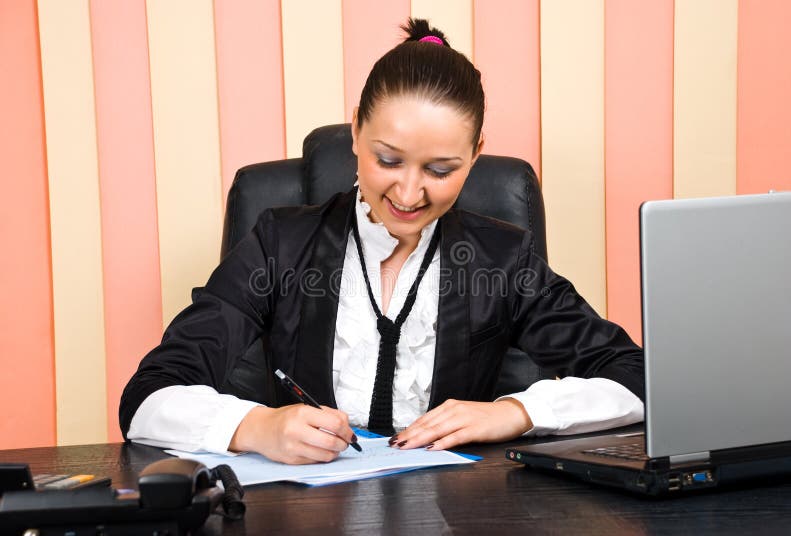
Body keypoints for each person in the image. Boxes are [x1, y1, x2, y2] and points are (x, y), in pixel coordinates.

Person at [120, 19, 643, 465]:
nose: (409, 193)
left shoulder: (503, 261)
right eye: (388, 160)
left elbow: (636, 377)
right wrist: (256, 427)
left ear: (476, 154)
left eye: (440, 170)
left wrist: (514, 412)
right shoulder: (279, 244)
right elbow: (147, 397)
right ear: (355, 132)